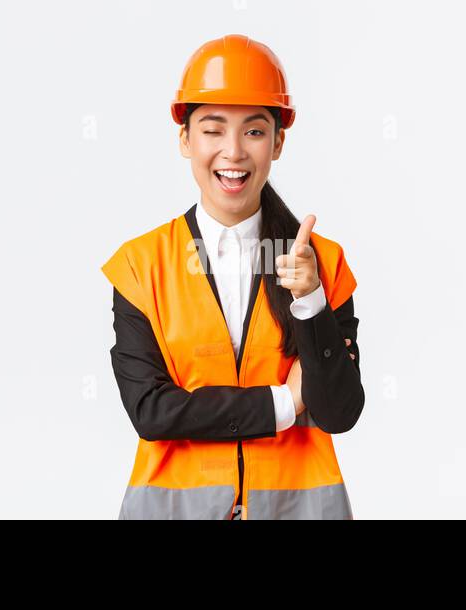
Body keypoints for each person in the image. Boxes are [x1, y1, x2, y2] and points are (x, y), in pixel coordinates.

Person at [101, 34, 364, 520]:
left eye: (255, 131)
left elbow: (337, 412)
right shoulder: (141, 266)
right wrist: (284, 403)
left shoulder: (322, 264)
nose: (234, 151)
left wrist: (310, 300)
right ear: (185, 139)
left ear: (278, 142)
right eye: (213, 129)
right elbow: (152, 412)